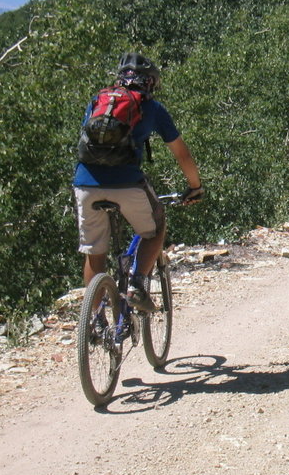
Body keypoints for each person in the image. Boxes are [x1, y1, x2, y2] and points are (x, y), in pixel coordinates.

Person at [73, 53, 203, 312]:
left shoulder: (98, 100)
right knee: (155, 228)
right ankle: (137, 286)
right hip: (127, 184)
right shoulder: (152, 108)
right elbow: (181, 153)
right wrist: (195, 186)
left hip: (85, 184)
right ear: (151, 83)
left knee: (95, 253)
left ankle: (94, 319)